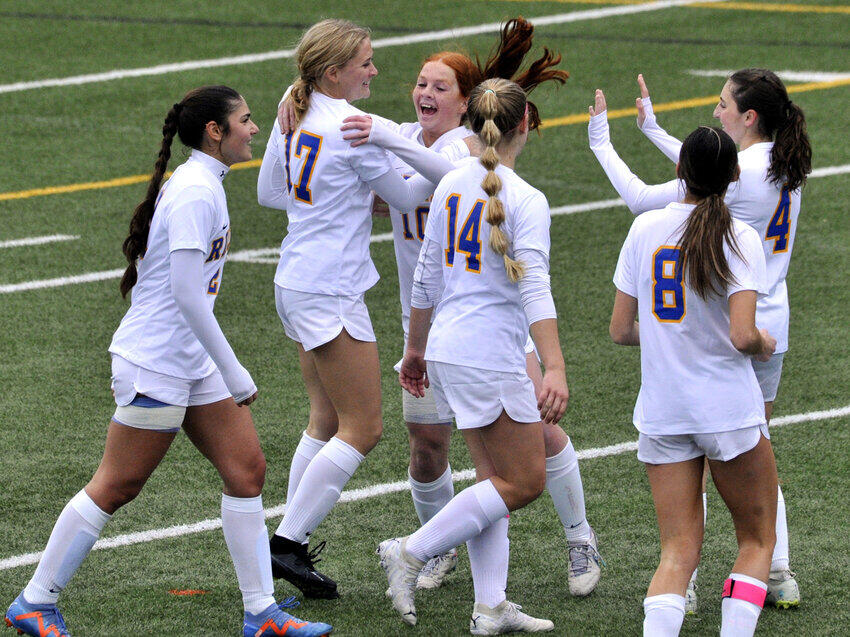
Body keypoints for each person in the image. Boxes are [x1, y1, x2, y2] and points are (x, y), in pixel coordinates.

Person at [3, 86, 332, 637]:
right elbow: (185, 292)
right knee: (118, 484)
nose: (254, 129)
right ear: (215, 132)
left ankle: (262, 614)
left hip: (188, 360)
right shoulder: (197, 191)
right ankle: (35, 600)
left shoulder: (205, 183)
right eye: (245, 120)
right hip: (157, 362)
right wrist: (233, 370)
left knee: (246, 471)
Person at [309, 17, 601, 599]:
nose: (425, 93)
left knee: (536, 443)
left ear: (467, 104)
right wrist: (300, 109)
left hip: (486, 332)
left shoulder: (459, 152)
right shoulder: (403, 137)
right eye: (421, 83)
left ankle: (577, 537)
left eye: (440, 87)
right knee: (428, 451)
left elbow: (449, 177)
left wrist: (385, 144)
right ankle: (448, 557)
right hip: (430, 330)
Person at [588, 69, 810, 610]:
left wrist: (602, 142)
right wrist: (654, 131)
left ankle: (683, 580)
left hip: (725, 326)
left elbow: (651, 194)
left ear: (748, 116)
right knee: (754, 449)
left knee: (702, 457)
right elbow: (706, 168)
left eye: (723, 103)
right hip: (769, 319)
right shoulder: (781, 161)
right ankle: (777, 571)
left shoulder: (740, 175)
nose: (716, 110)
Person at [255, 18, 461, 600]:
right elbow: (412, 195)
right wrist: (401, 143)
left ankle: (289, 540)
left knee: (324, 421)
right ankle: (287, 544)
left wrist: (339, 194)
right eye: (365, 63)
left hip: (295, 280)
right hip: (331, 289)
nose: (374, 71)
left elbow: (270, 193)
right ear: (333, 73)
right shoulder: (353, 128)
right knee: (363, 428)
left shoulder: (295, 107)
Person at [378, 78, 567, 634]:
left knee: (491, 480)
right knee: (524, 481)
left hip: (449, 350)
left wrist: (415, 350)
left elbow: (425, 277)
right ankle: (412, 550)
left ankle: (490, 606)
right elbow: (535, 288)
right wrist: (554, 366)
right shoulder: (526, 199)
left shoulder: (451, 183)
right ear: (524, 124)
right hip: (489, 355)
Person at [609, 123, 779, 637]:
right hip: (727, 411)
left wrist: (671, 337)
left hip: (663, 411)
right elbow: (743, 334)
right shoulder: (739, 236)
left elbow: (620, 330)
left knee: (677, 553)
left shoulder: (644, 229)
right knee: (756, 542)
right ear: (733, 176)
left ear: (680, 169)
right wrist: (765, 343)